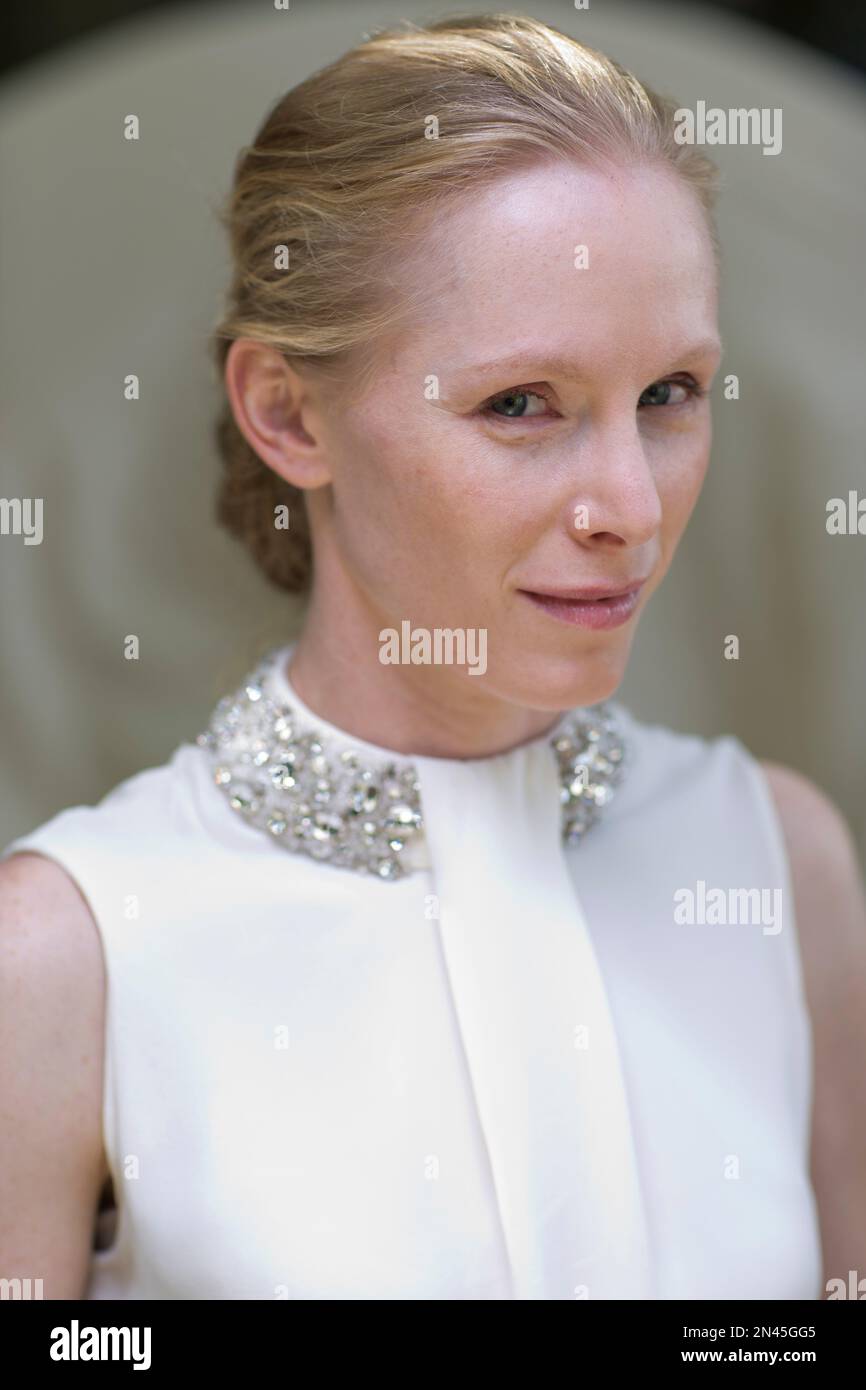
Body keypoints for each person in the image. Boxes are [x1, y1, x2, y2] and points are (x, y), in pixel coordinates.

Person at [2, 13, 865, 1301]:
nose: (627, 503)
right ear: (288, 412)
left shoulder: (777, 859)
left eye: (670, 395)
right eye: (520, 405)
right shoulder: (70, 950)